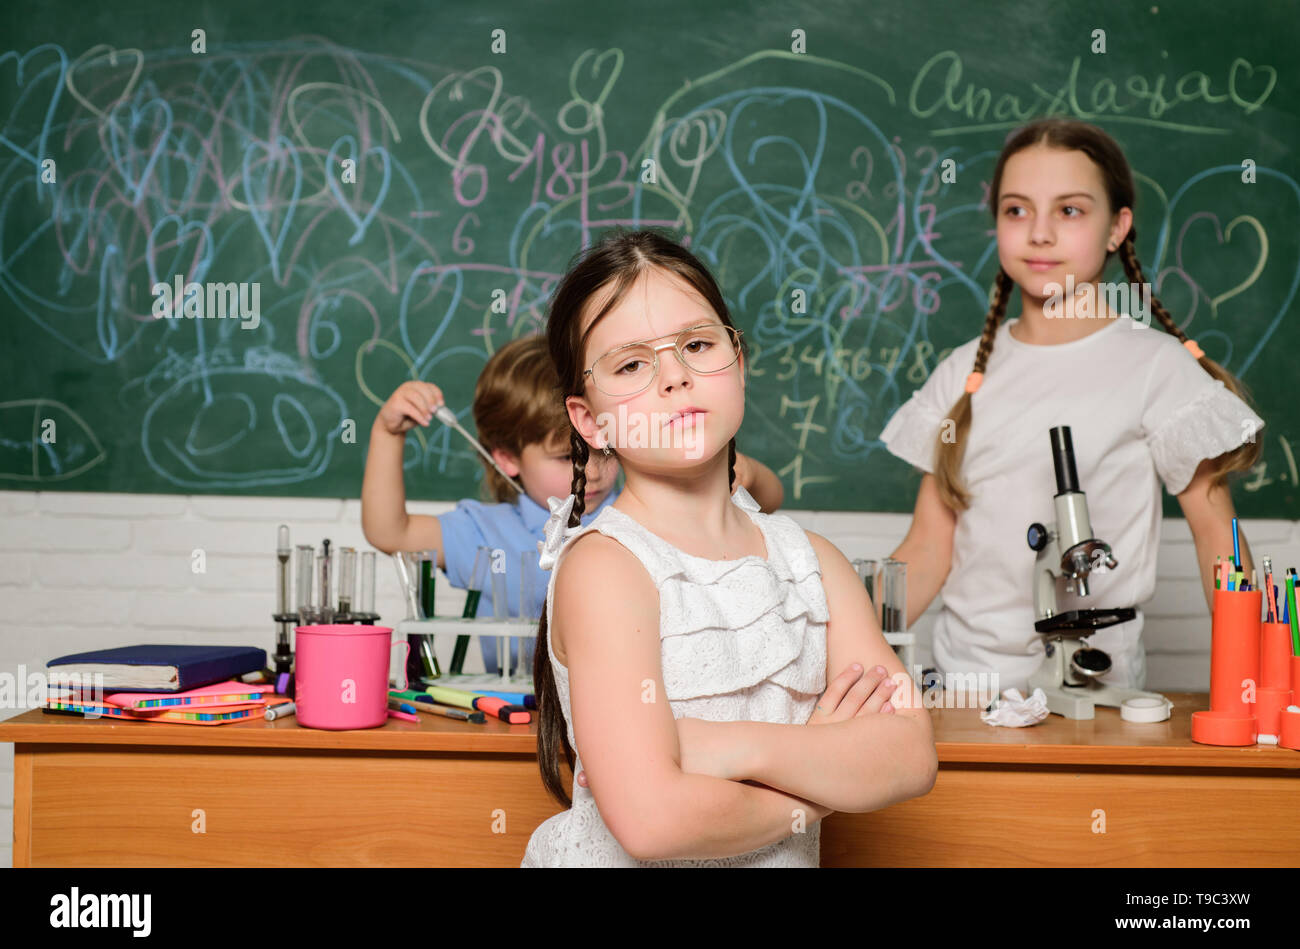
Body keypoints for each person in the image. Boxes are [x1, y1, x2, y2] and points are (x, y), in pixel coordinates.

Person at [522, 228, 936, 867]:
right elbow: (653, 822)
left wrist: (731, 748)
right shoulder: (605, 567)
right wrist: (818, 783)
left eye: (696, 344)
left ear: (738, 361)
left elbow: (909, 755)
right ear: (589, 420)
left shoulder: (813, 563)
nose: (675, 378)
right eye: (632, 364)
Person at [881, 117, 1266, 696]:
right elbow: (927, 550)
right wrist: (836, 656)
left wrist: (1257, 687)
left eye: (1069, 211)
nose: (1039, 234)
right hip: (962, 695)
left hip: (1099, 699)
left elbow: (1220, 542)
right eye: (1016, 210)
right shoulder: (961, 373)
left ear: (1117, 229)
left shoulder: (1156, 367)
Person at [361, 334, 785, 674]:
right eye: (568, 458)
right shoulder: (483, 532)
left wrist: (741, 469)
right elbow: (389, 532)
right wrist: (387, 432)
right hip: (515, 723)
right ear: (507, 457)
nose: (595, 471)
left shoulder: (645, 510)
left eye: (603, 450)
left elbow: (768, 499)